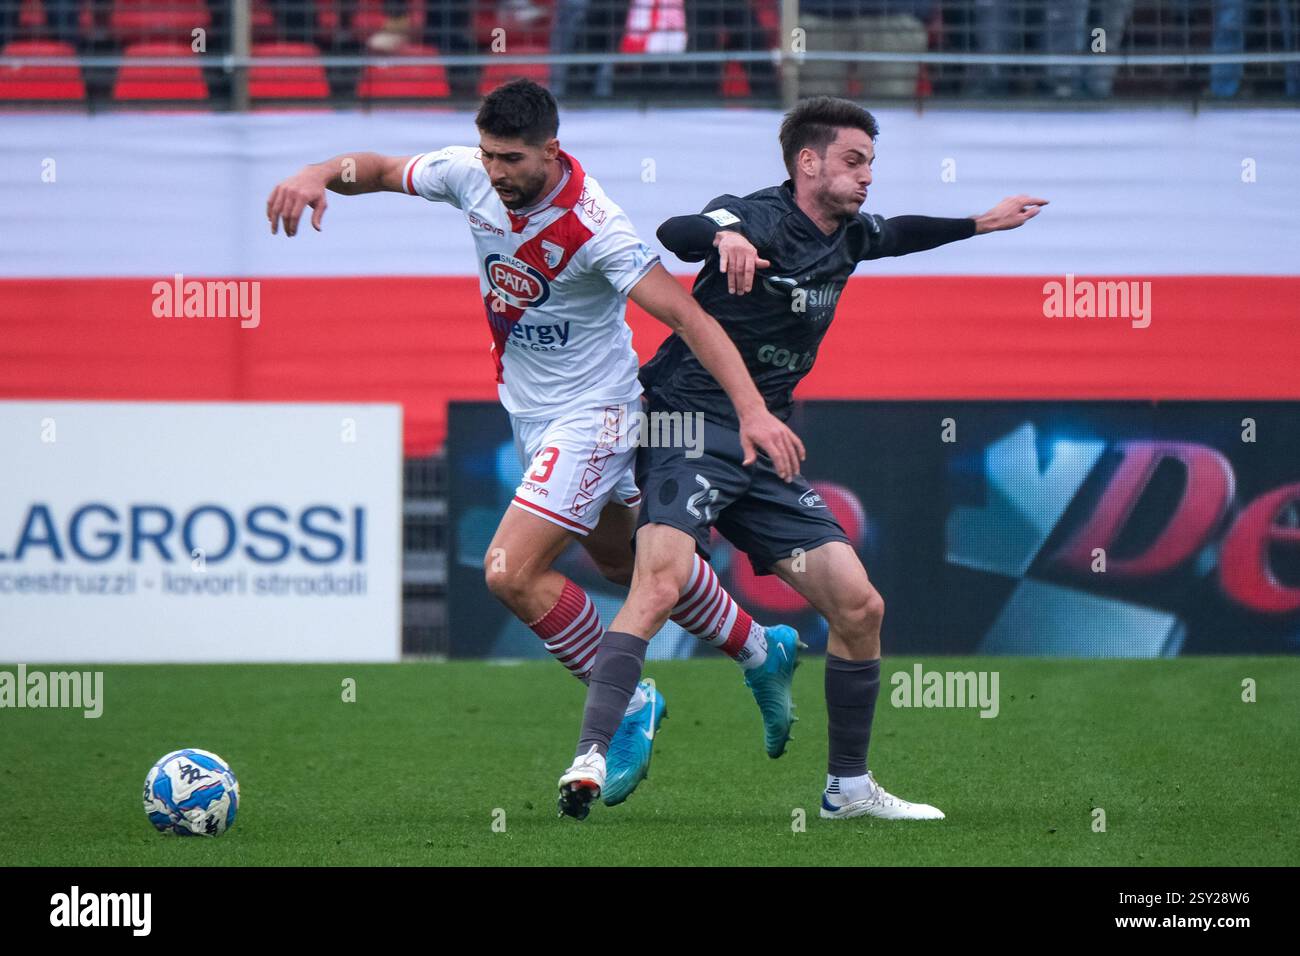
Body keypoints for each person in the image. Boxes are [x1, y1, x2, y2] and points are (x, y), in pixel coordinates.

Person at [265, 79, 805, 808]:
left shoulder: (595, 226)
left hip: (599, 413)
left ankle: (630, 702)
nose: (495, 172)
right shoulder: (470, 174)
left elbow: (688, 318)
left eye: (511, 159)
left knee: (507, 570)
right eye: (488, 154)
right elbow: (386, 171)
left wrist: (752, 410)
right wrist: (316, 173)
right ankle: (757, 646)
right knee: (621, 558)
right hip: (533, 415)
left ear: (552, 150)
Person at [558, 95, 1047, 822]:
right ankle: (594, 749)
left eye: (872, 163)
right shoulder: (753, 216)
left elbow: (902, 233)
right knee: (658, 582)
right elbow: (679, 229)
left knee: (859, 604)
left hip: (761, 442)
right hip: (687, 425)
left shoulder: (850, 236)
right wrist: (722, 236)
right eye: (855, 161)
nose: (867, 176)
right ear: (807, 162)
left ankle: (847, 790)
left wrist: (982, 221)